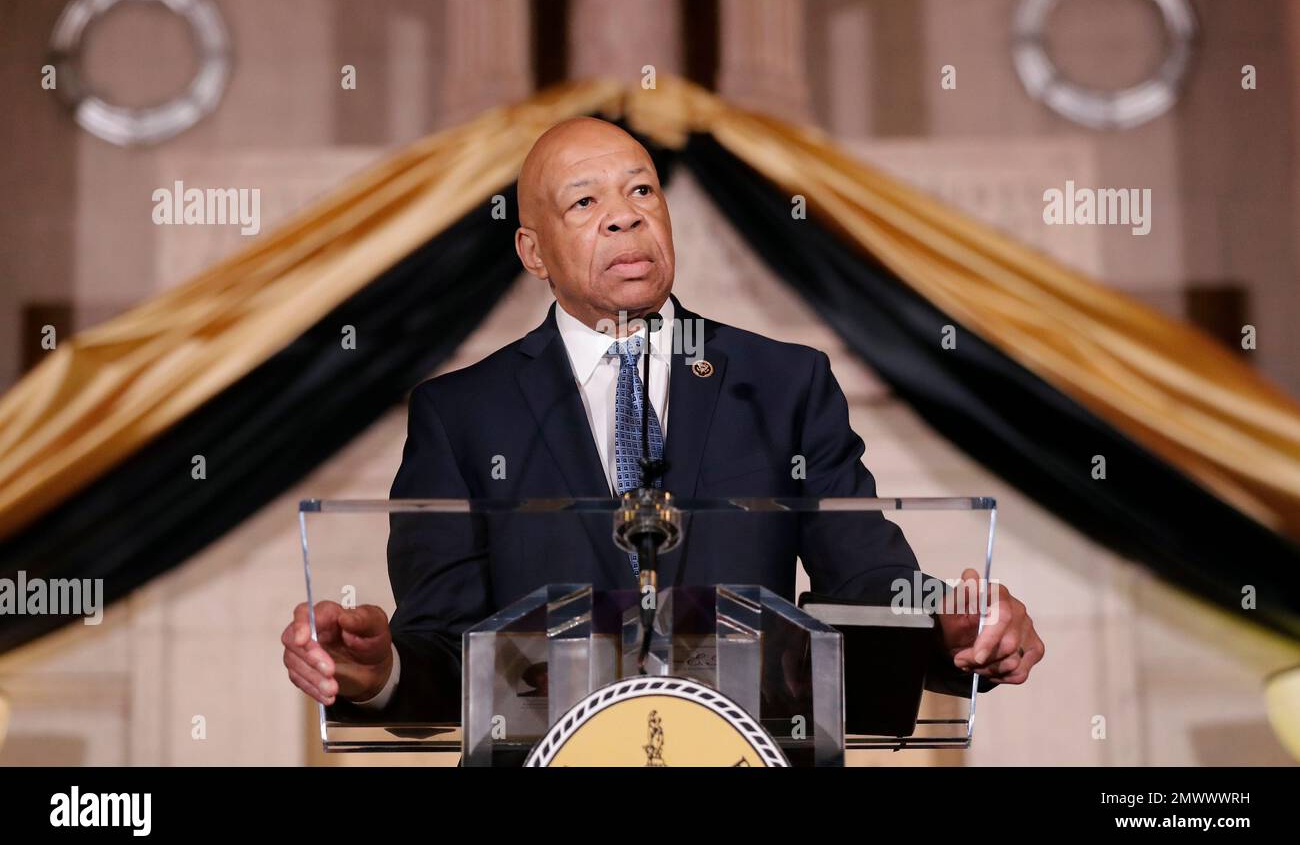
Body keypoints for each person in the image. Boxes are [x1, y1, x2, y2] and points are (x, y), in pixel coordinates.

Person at [282, 117, 1045, 721]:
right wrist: (380, 672)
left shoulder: (782, 382)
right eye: (585, 202)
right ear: (533, 251)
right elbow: (447, 645)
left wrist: (946, 621)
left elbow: (867, 577)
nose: (624, 218)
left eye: (642, 191)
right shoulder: (460, 415)